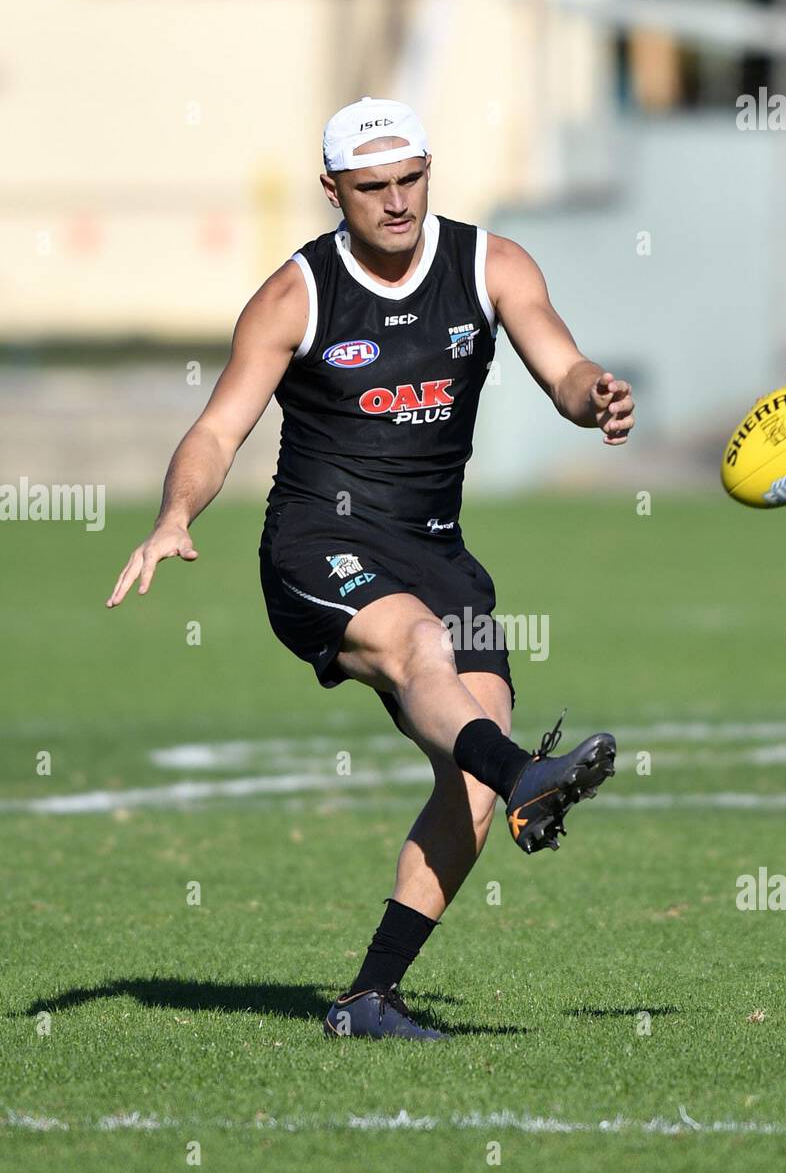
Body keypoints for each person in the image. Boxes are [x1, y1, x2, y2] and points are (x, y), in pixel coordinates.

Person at [107, 97, 635, 1040]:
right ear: (332, 190)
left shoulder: (491, 264)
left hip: (437, 550)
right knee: (420, 649)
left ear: (429, 168)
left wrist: (591, 393)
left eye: (410, 179)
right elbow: (218, 428)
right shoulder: (295, 296)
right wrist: (174, 515)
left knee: (468, 773)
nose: (396, 202)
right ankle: (530, 779)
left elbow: (560, 364)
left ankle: (368, 1000)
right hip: (318, 546)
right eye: (371, 187)